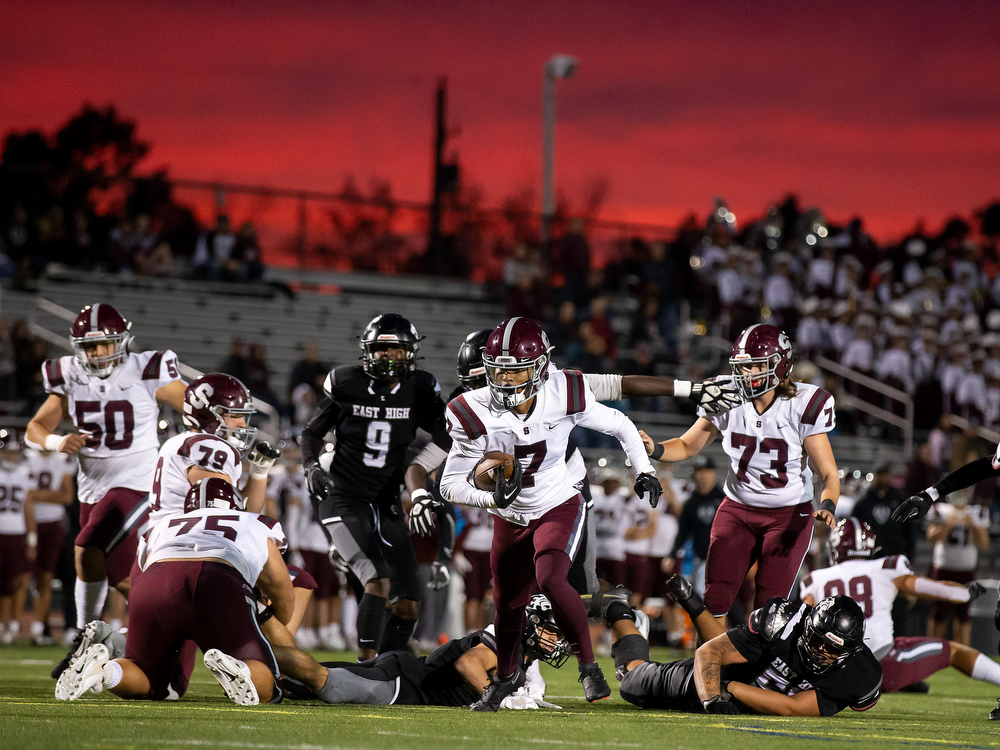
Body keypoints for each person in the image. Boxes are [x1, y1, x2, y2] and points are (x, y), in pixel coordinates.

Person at [438, 317, 663, 709]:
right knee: (508, 603)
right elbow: (449, 484)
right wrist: (492, 500)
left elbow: (620, 424)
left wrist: (644, 469)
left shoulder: (565, 390)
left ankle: (589, 668)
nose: (506, 382)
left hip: (558, 502)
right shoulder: (468, 409)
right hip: (510, 517)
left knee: (551, 576)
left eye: (516, 371)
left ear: (541, 367)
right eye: (499, 372)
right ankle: (506, 680)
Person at [641, 324, 839, 624]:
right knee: (713, 603)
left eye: (757, 366)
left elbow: (828, 473)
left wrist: (827, 505)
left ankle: (757, 671)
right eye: (743, 367)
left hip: (787, 513)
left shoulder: (802, 404)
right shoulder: (725, 395)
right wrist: (654, 447)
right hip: (737, 508)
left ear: (781, 364)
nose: (748, 374)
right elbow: (686, 445)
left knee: (769, 612)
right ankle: (708, 670)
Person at [25, 304, 185, 643]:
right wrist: (57, 440)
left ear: (122, 341)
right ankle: (168, 634)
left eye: (104, 344)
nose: (97, 353)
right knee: (113, 575)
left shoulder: (146, 369)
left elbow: (195, 405)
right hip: (92, 489)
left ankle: (87, 638)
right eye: (89, 346)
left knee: (87, 547)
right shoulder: (69, 373)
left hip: (139, 484)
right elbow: (35, 429)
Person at [55, 479, 290, 704]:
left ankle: (104, 672)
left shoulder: (162, 526)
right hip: (217, 581)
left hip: (154, 584)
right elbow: (279, 584)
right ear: (236, 504)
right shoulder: (253, 521)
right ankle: (241, 668)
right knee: (269, 683)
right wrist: (276, 618)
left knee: (147, 676)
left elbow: (137, 582)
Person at [300, 314, 451, 660]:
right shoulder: (347, 382)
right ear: (367, 351)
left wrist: (418, 467)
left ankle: (388, 665)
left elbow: (446, 435)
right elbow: (310, 432)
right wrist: (310, 466)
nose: (387, 356)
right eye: (380, 349)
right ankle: (366, 666)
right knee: (377, 581)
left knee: (410, 605)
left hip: (386, 502)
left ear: (410, 354)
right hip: (343, 496)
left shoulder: (420, 388)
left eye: (395, 350)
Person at [799, 518, 1000, 717]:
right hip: (885, 664)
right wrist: (964, 593)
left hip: (834, 670)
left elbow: (801, 624)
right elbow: (927, 588)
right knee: (956, 652)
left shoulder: (815, 579)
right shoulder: (886, 566)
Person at [603, 588, 881, 715]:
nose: (822, 650)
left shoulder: (859, 675)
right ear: (809, 627)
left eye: (833, 647)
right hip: (711, 679)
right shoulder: (784, 623)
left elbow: (792, 706)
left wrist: (733, 689)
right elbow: (710, 652)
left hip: (733, 687)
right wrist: (714, 695)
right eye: (820, 640)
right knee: (630, 680)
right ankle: (618, 611)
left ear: (851, 650)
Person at [278, 593, 569, 708]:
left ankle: (264, 665)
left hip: (404, 670)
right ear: (530, 624)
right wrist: (497, 700)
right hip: (403, 685)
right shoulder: (508, 647)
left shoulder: (522, 656)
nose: (556, 642)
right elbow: (468, 664)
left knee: (288, 685)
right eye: (551, 632)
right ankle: (256, 650)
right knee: (325, 683)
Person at [24, 442, 75, 645]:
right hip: (26, 523)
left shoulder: (62, 459)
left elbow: (68, 496)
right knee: (23, 578)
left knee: (45, 576)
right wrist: (52, 496)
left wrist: (33, 495)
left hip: (53, 524)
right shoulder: (25, 458)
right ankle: (11, 626)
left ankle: (38, 629)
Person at [924, 492, 989, 645]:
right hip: (943, 569)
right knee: (938, 614)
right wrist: (948, 524)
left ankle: (962, 655)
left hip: (966, 571)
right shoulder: (941, 510)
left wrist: (973, 524)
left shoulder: (976, 512)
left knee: (963, 616)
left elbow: (983, 543)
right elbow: (932, 538)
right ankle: (931, 653)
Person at [664, 455, 724, 596]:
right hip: (702, 558)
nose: (702, 475)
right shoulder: (691, 503)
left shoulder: (724, 498)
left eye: (706, 471)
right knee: (705, 597)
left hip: (724, 559)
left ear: (713, 472)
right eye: (699, 471)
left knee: (721, 600)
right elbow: (683, 531)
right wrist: (672, 554)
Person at [0, 429, 37, 644]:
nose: (11, 457)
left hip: (16, 533)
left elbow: (28, 507)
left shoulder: (24, 473)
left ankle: (8, 624)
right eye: (8, 453)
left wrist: (32, 539)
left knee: (11, 581)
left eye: (14, 453)